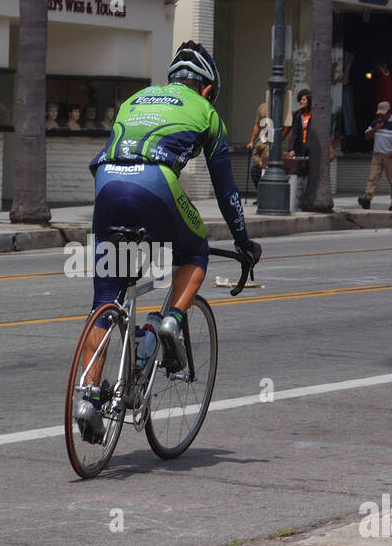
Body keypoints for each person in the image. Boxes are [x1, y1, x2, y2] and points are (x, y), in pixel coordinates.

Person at [73, 41, 262, 442]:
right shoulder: (207, 112)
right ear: (208, 88)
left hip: (107, 185)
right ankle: (171, 322)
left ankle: (87, 400)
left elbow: (105, 156)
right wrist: (244, 243)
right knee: (194, 249)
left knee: (105, 300)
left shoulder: (136, 99)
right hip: (155, 184)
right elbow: (227, 191)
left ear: (170, 80)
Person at [357, 101, 392, 211]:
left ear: (389, 112)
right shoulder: (376, 122)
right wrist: (375, 128)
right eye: (379, 114)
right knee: (373, 177)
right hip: (377, 155)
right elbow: (367, 136)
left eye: (383, 114)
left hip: (390, 156)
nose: (381, 116)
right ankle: (367, 199)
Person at [244, 100, 270, 193]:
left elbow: (287, 127)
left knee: (269, 169)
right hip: (262, 141)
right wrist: (251, 141)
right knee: (254, 168)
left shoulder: (282, 106)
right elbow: (257, 125)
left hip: (274, 141)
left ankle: (268, 194)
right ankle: (261, 194)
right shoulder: (262, 107)